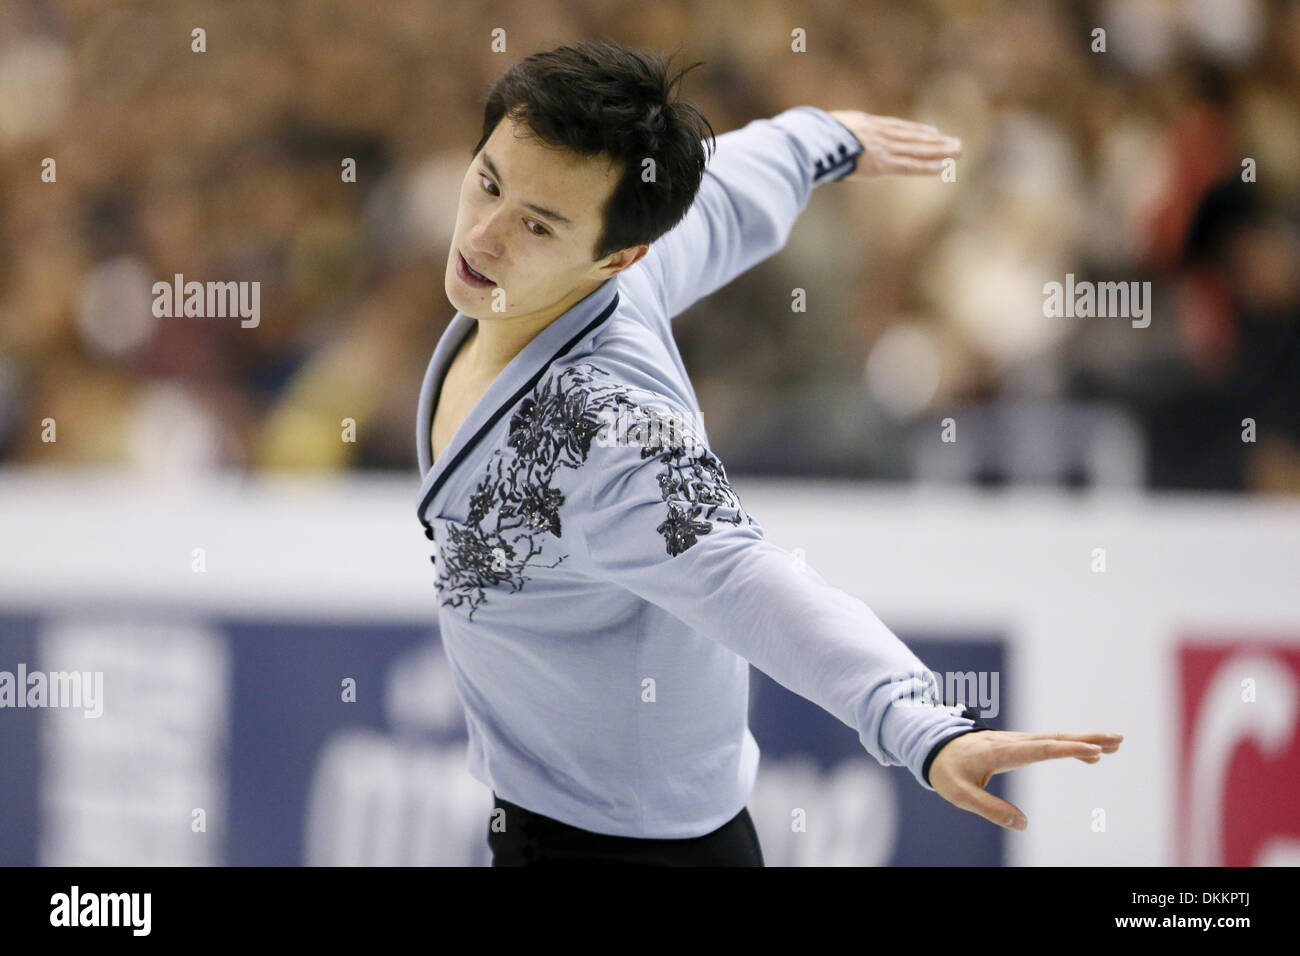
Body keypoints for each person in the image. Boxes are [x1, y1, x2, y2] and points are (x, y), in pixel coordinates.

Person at [414, 39, 1122, 866]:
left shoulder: (607, 438)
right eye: (489, 182)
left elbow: (746, 578)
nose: (485, 237)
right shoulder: (592, 270)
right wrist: (821, 138)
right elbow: (721, 188)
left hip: (621, 847)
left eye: (536, 224)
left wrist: (919, 725)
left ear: (616, 258)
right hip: (568, 815)